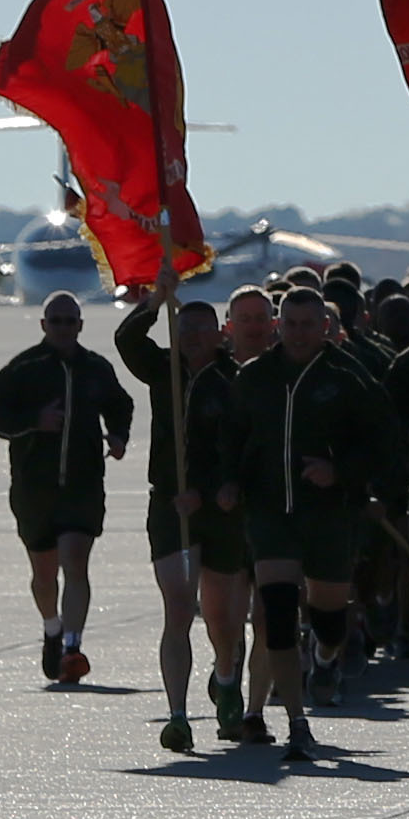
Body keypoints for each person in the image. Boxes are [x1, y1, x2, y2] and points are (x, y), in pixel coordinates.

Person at [223, 286, 402, 760]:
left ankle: (325, 656)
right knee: (278, 615)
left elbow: (384, 440)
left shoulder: (348, 377)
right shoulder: (254, 377)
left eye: (308, 325)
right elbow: (231, 438)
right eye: (291, 324)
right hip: (270, 514)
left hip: (328, 515)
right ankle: (296, 721)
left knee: (328, 617)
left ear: (326, 327)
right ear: (278, 325)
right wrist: (228, 482)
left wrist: (340, 471)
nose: (299, 334)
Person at [115, 266, 250, 752]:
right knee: (177, 608)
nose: (191, 338)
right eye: (184, 330)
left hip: (220, 509)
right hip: (170, 504)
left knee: (220, 615)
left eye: (200, 330)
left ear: (218, 335)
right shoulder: (163, 370)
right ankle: (177, 715)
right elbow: (126, 341)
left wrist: (219, 489)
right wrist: (155, 301)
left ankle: (227, 676)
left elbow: (242, 445)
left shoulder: (235, 379)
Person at [0, 291, 133, 688]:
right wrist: (34, 421)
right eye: (56, 321)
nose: (63, 328)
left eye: (70, 321)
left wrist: (118, 436)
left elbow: (120, 404)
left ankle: (72, 648)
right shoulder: (24, 368)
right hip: (35, 487)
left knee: (76, 563)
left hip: (83, 485)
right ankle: (52, 627)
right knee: (44, 574)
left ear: (80, 325)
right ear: (43, 325)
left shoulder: (95, 368)